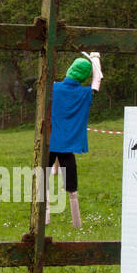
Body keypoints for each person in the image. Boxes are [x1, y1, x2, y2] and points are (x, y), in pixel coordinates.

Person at [46, 51, 103, 228]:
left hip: (49, 143)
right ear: (84, 76)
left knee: (42, 180)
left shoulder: (53, 88)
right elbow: (97, 80)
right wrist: (95, 59)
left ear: (70, 69)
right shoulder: (84, 93)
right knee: (72, 187)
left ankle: (44, 218)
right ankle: (77, 222)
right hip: (67, 146)